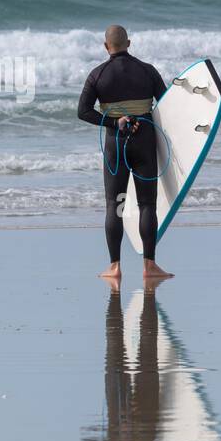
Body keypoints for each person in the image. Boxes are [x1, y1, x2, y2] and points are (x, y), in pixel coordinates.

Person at [77, 25, 173, 281]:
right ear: (128, 43)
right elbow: (167, 106)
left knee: (114, 205)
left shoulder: (97, 74)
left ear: (106, 46)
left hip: (116, 144)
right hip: (144, 141)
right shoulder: (147, 71)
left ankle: (115, 267)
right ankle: (150, 266)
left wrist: (114, 122)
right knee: (146, 205)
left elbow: (83, 112)